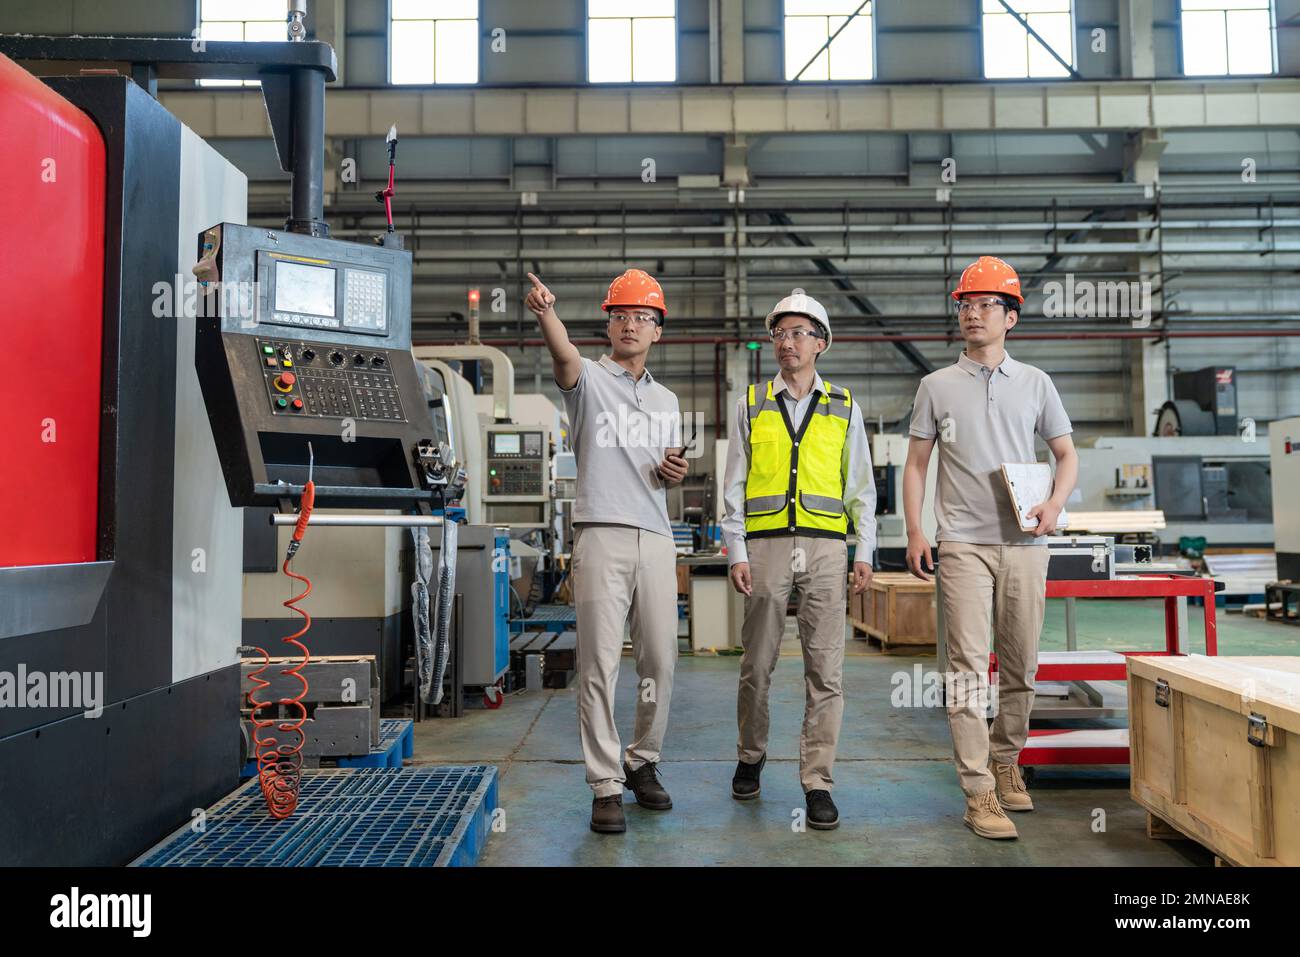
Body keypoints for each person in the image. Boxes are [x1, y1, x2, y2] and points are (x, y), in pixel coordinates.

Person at [903, 256, 1078, 840]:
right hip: (963, 545)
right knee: (966, 672)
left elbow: (1067, 454)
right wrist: (916, 530)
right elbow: (917, 465)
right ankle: (979, 792)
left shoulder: (1036, 383)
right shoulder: (936, 386)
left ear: (1011, 318)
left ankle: (1007, 763)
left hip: (1026, 542)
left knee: (1022, 666)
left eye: (984, 305)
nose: (971, 314)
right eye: (964, 305)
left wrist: (1053, 505)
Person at [525, 268, 689, 835]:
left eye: (642, 317)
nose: (630, 324)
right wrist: (546, 312)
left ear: (657, 331)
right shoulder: (588, 380)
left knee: (661, 661)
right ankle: (605, 783)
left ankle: (643, 760)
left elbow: (664, 470)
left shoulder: (668, 399)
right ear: (609, 323)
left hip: (656, 536)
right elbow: (564, 357)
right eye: (620, 315)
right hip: (600, 533)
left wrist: (676, 471)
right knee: (599, 663)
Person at [721, 292, 876, 831]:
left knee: (825, 669)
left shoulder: (844, 406)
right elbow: (733, 485)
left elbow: (862, 488)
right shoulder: (751, 401)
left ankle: (817, 781)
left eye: (797, 333)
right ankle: (750, 754)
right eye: (779, 333)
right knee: (756, 662)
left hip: (826, 547)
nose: (786, 342)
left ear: (821, 343)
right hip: (764, 546)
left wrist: (865, 550)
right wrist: (736, 549)